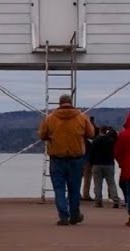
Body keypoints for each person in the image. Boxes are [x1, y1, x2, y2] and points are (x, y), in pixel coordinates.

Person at [37, 93, 95, 225]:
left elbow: (41, 134)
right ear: (71, 102)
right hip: (76, 158)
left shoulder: (50, 118)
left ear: (59, 103)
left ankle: (63, 215)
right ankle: (74, 214)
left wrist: (51, 137)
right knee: (74, 188)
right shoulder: (81, 117)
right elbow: (91, 134)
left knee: (59, 188)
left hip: (57, 158)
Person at [88, 124, 122, 208]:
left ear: (100, 131)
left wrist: (91, 163)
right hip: (109, 164)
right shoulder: (111, 141)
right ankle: (115, 199)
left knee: (97, 184)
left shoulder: (95, 141)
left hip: (97, 164)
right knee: (111, 183)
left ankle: (98, 201)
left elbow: (91, 154)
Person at [81, 117, 97, 202]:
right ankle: (85, 194)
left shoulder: (80, 137)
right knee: (87, 178)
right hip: (87, 160)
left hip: (79, 159)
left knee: (77, 178)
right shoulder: (89, 140)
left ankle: (76, 193)